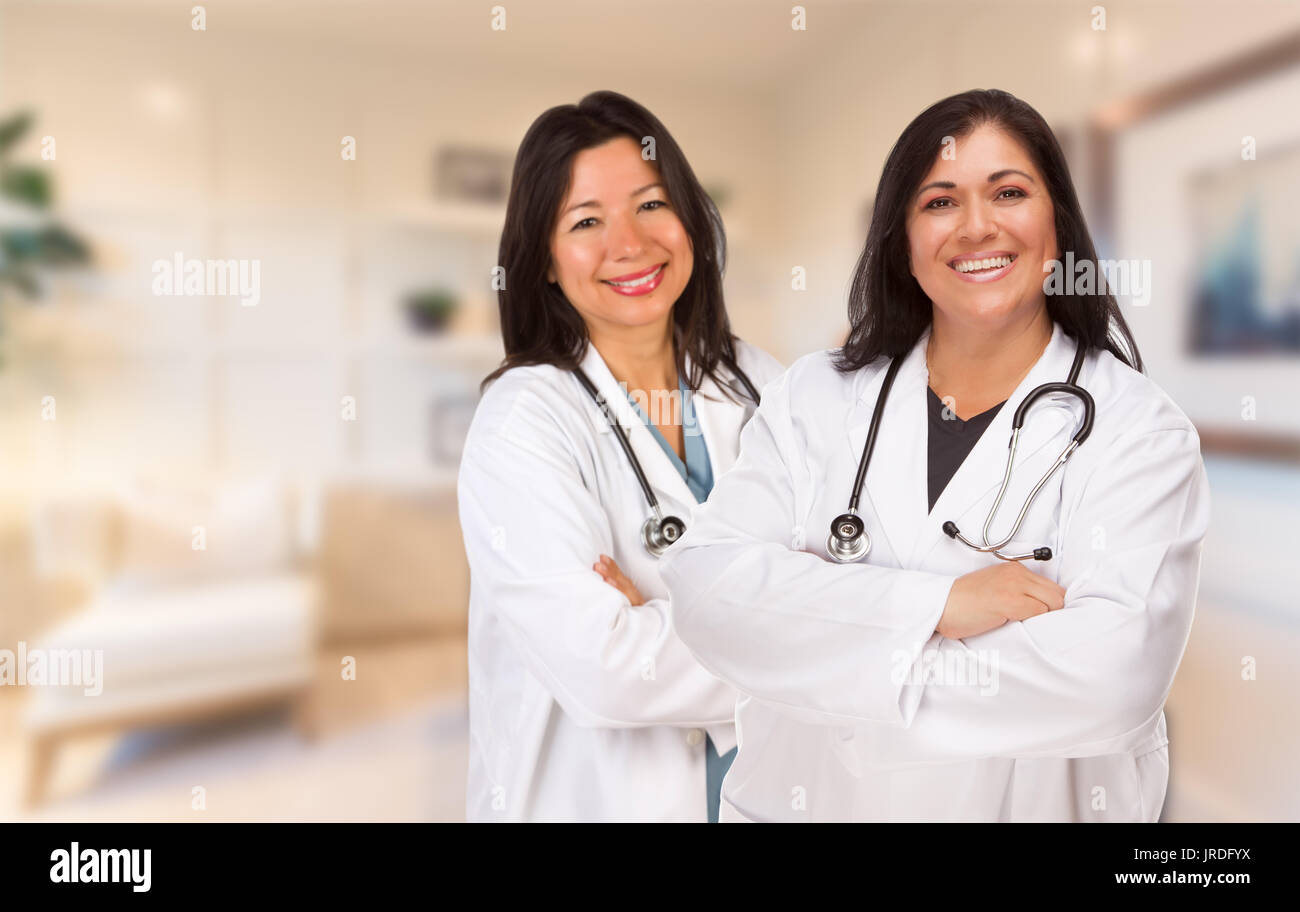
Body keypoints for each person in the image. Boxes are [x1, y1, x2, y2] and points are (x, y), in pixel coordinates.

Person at [659, 88, 1211, 822]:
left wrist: (826, 645)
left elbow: (1111, 678)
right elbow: (707, 593)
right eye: (940, 202)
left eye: (1008, 193)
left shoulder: (1138, 432)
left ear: (1057, 228)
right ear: (903, 240)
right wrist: (937, 606)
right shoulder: (813, 398)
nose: (977, 227)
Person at [458, 90, 784, 822]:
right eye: (585, 222)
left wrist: (662, 620)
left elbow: (856, 573)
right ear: (542, 259)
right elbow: (606, 668)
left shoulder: (762, 384)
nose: (629, 244)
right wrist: (808, 634)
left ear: (690, 218)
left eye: (650, 204)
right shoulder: (524, 420)